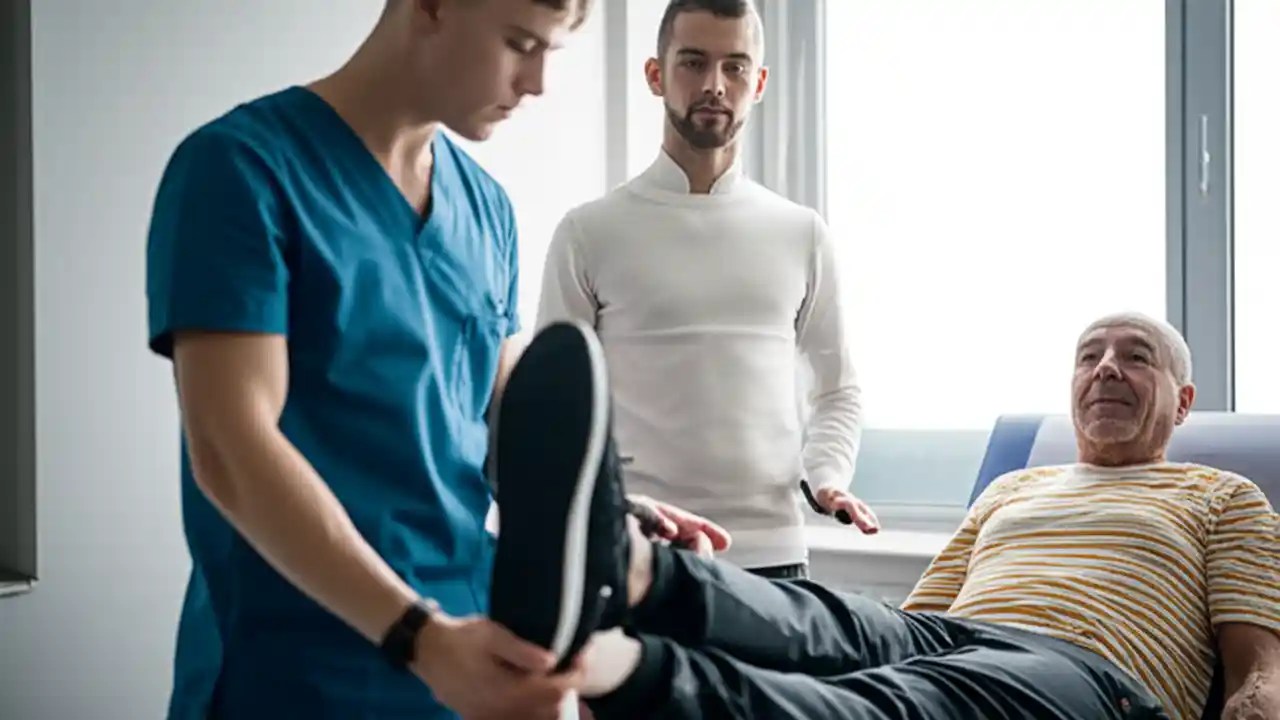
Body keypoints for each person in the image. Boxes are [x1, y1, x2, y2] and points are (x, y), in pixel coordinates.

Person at [145, 1, 730, 718]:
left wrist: (605, 514)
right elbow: (230, 447)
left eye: (551, 50)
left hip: (473, 664)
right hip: (298, 676)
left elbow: (500, 439)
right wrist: (421, 640)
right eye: (519, 44)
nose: (538, 82)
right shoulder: (241, 171)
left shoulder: (486, 209)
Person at [489, 314, 1280, 720]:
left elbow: (1257, 657)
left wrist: (1258, 701)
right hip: (962, 636)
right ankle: (627, 565)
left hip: (1091, 676)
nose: (1106, 367)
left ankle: (614, 667)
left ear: (1181, 401)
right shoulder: (1014, 488)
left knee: (915, 705)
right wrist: (867, 643)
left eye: (1135, 355)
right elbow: (911, 625)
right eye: (1089, 354)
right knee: (825, 618)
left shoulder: (1220, 495)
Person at [534, 0, 875, 581]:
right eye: (693, 62)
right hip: (643, 555)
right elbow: (552, 406)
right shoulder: (588, 232)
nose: (715, 85)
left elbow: (838, 390)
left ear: (759, 82)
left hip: (775, 558)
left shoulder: (802, 233)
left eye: (735, 67)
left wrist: (827, 479)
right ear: (655, 74)